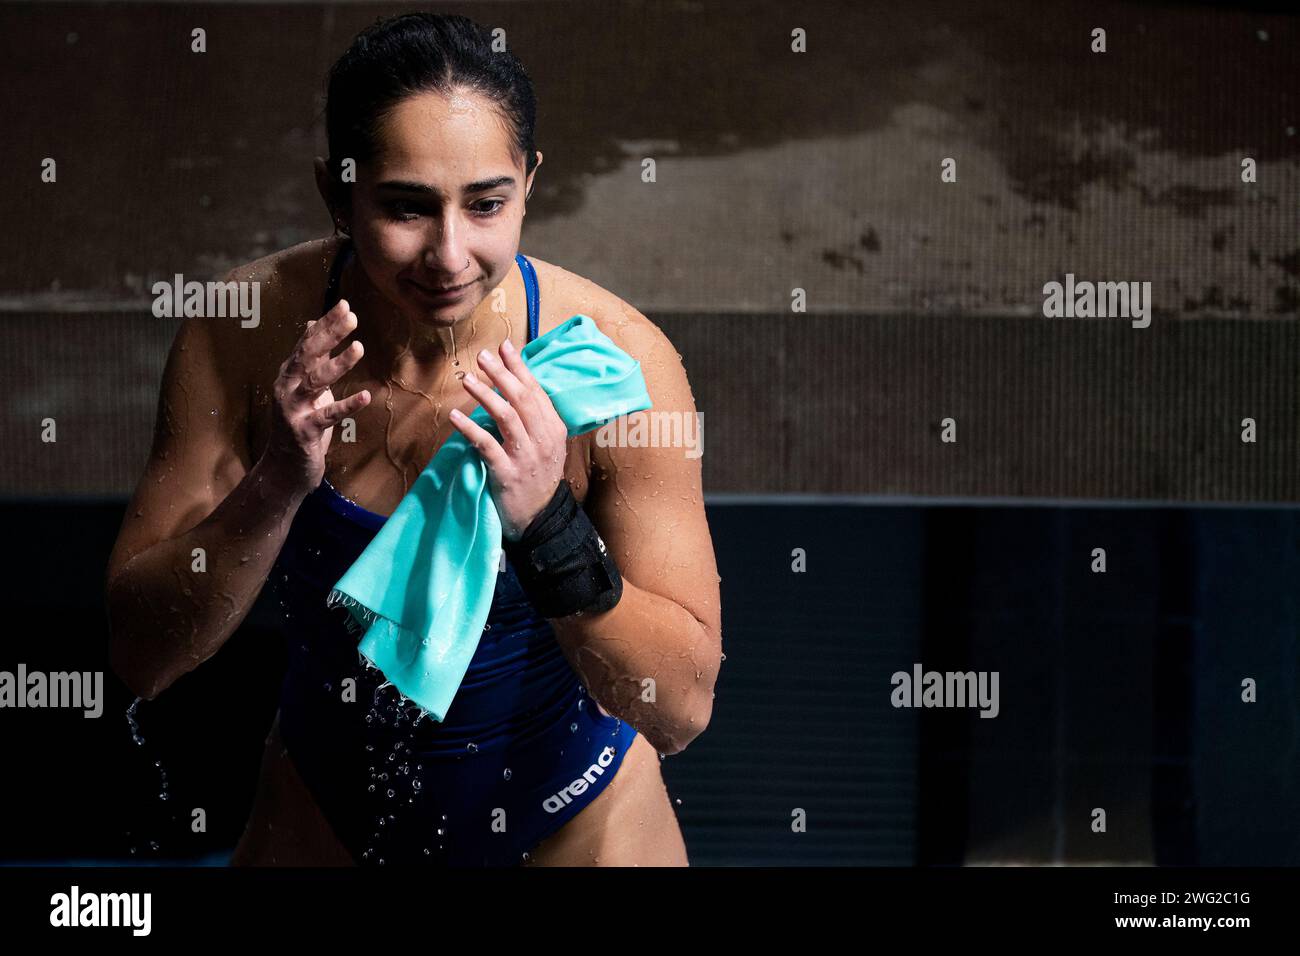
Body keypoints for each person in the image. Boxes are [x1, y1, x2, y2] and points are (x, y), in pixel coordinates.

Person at [105, 12, 722, 866]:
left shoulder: (623, 362)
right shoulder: (245, 333)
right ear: (337, 194)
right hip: (324, 810)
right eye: (405, 207)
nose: (448, 254)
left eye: (486, 204)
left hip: (580, 820)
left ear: (530, 184)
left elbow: (682, 707)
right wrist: (277, 488)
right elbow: (141, 658)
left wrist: (549, 526)